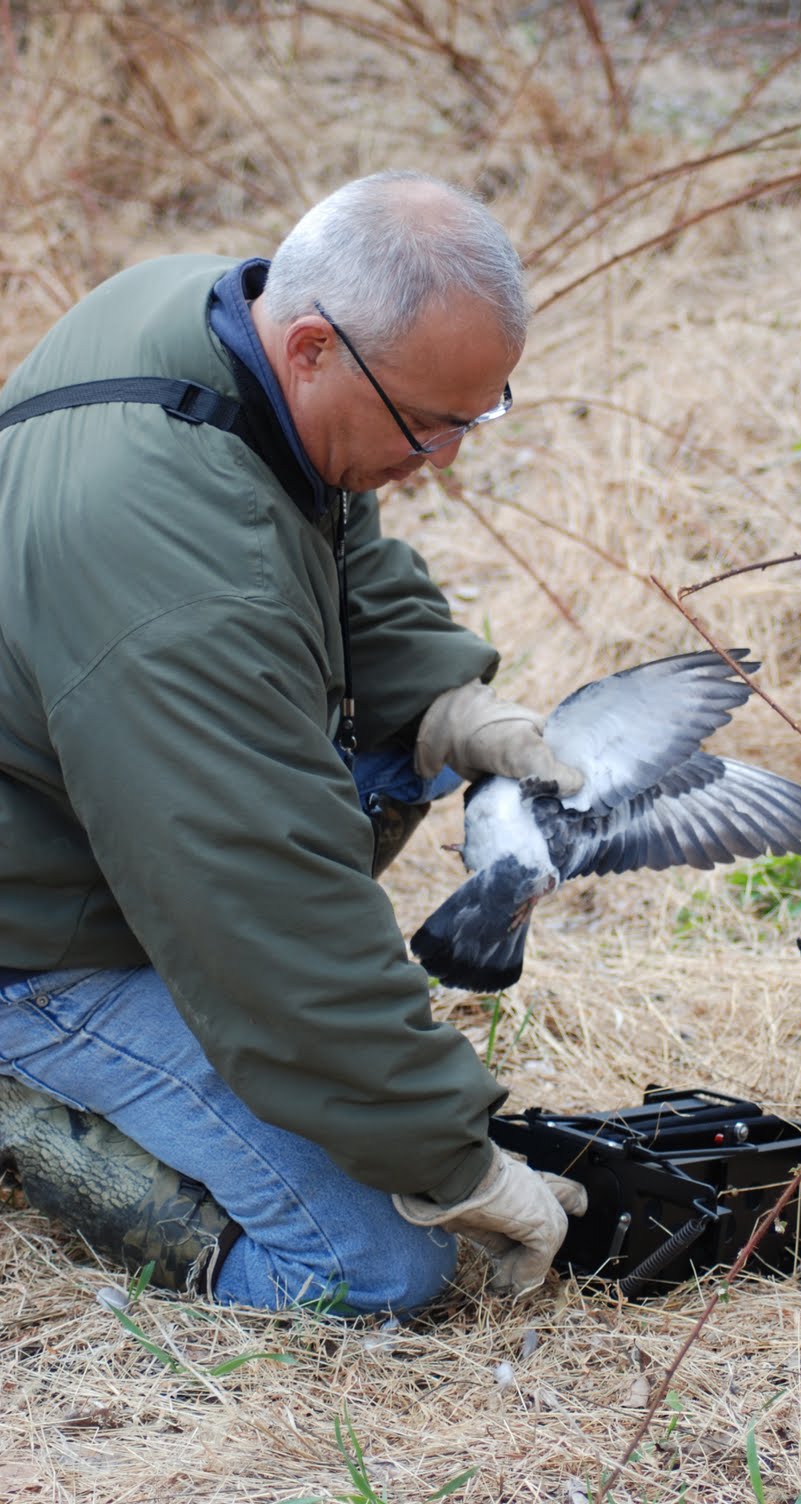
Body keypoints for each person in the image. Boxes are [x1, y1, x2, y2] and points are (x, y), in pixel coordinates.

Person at [0, 171, 587, 1315]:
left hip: (78, 795)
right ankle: (24, 1114)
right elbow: (264, 909)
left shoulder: (209, 325)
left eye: (473, 417)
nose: (444, 456)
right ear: (315, 346)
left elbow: (328, 531)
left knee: (401, 750)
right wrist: (455, 1162)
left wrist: (443, 700)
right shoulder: (182, 584)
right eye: (425, 423)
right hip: (36, 934)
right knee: (375, 1266)